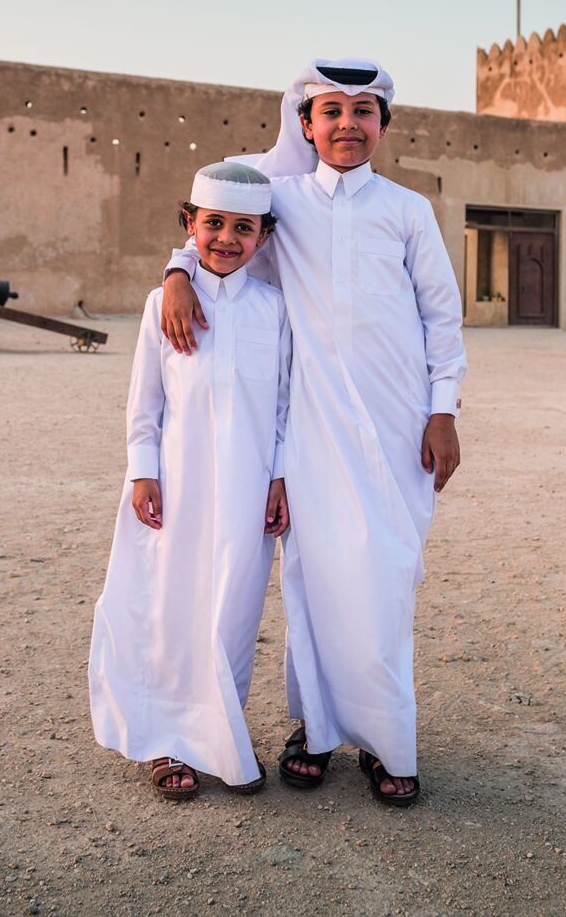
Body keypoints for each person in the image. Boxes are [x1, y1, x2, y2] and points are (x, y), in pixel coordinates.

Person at [158, 61, 465, 807]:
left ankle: (388, 741)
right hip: (314, 426)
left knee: (385, 579)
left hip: (397, 427)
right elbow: (215, 224)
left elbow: (440, 315)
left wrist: (444, 409)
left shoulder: (407, 210)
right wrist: (174, 270)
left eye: (364, 111)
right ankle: (316, 731)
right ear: (305, 124)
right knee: (315, 579)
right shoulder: (281, 201)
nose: (347, 125)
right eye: (332, 111)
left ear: (383, 126)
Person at [88, 161, 293, 800]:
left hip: (247, 489)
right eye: (213, 225)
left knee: (233, 612)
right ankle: (166, 742)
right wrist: (142, 471)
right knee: (171, 608)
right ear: (189, 225)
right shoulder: (164, 303)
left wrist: (279, 478)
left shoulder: (275, 309)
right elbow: (144, 402)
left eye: (243, 228)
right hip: (175, 486)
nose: (226, 239)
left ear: (264, 235)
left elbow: (287, 405)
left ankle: (221, 737)